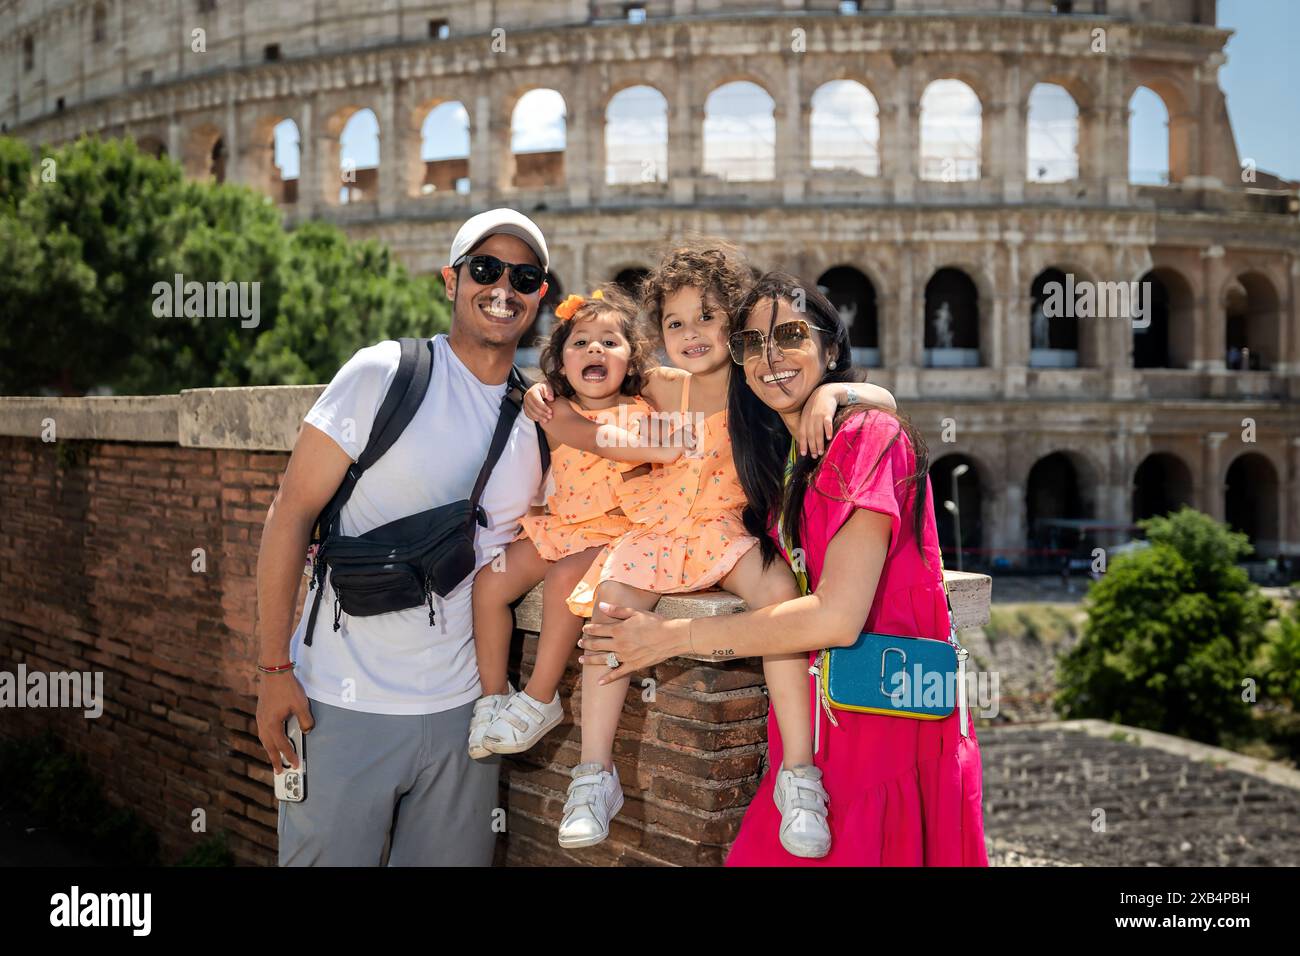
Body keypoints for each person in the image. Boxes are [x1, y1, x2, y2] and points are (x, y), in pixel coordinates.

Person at [578, 272, 989, 866]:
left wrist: (673, 638)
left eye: (790, 335)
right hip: (814, 745)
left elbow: (837, 617)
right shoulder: (784, 458)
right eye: (750, 343)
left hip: (890, 736)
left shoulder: (868, 437)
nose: (769, 356)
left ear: (831, 348)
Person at [527, 243, 895, 855]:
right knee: (612, 603)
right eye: (674, 323)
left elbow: (882, 399)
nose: (691, 333)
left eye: (707, 317)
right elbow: (592, 389)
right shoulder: (662, 387)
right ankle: (594, 773)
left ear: (736, 321)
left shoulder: (760, 385)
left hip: (726, 532)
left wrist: (833, 397)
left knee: (778, 592)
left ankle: (798, 774)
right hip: (659, 529)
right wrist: (544, 396)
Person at [254, 208, 552, 865]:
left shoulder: (539, 422)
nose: (503, 286)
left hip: (465, 718)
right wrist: (273, 669)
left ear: (541, 295)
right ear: (451, 280)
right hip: (337, 706)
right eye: (485, 269)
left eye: (524, 276)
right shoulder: (383, 373)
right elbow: (291, 513)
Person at [468, 285, 677, 760]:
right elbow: (589, 435)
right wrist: (539, 392)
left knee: (565, 578)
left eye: (609, 341)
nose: (594, 349)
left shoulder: (647, 412)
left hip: (614, 533)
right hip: (561, 525)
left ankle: (541, 698)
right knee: (490, 584)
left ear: (631, 359)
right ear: (561, 364)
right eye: (579, 343)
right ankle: (492, 696)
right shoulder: (557, 410)